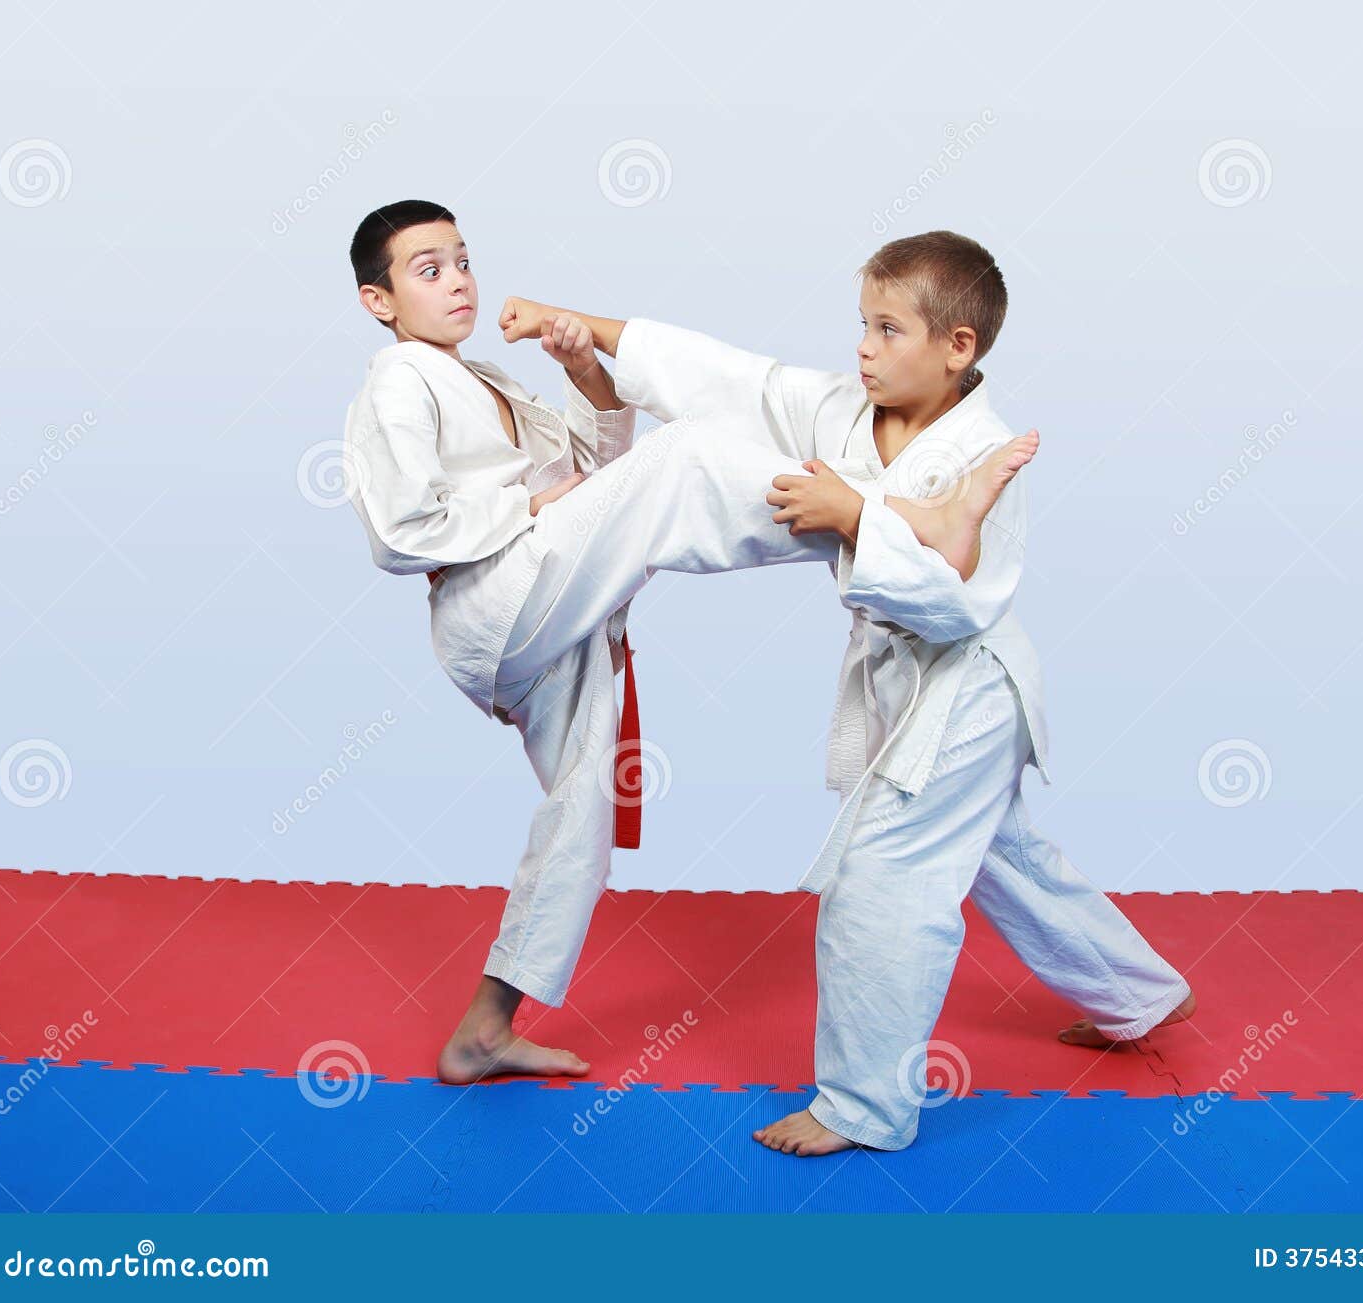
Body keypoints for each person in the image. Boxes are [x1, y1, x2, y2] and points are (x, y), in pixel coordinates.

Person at [509, 230, 1196, 1155]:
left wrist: (855, 516)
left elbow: (956, 608)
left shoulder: (985, 457)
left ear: (959, 347)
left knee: (882, 883)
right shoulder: (843, 409)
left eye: (888, 329)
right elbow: (729, 379)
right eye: (861, 325)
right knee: (1005, 857)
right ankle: (1141, 993)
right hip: (915, 693)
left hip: (966, 695)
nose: (864, 348)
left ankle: (864, 1107)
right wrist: (585, 328)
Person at [341, 203, 1031, 1088]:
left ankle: (484, 1030)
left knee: (577, 818)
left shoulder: (485, 381)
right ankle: (895, 517)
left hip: (557, 600)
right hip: (495, 602)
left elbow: (597, 486)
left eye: (464, 260)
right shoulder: (400, 377)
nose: (461, 280)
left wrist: (590, 375)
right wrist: (527, 508)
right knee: (690, 458)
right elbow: (400, 532)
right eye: (428, 269)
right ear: (379, 300)